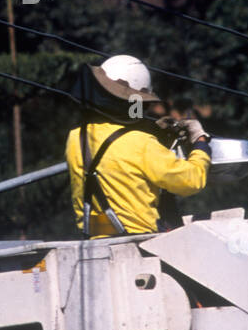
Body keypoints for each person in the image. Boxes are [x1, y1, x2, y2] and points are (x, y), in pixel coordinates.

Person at [66, 54, 211, 237]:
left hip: (93, 239)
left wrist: (152, 129)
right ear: (135, 101)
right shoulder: (142, 144)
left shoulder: (75, 137)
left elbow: (119, 136)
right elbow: (192, 180)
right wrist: (200, 141)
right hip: (137, 241)